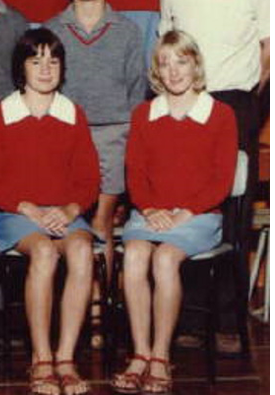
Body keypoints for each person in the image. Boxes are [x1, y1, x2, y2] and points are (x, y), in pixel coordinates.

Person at [157, 0, 268, 352]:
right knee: (184, 203)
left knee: (233, 210)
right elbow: (166, 49)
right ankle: (188, 317)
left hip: (235, 103)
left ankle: (226, 320)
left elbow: (270, 52)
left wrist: (247, 107)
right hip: (183, 102)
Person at [110, 30, 237, 394]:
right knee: (135, 255)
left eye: (182, 61)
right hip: (150, 213)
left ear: (196, 65)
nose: (174, 71)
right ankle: (140, 354)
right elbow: (135, 173)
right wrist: (150, 208)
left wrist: (185, 213)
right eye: (165, 64)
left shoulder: (220, 114)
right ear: (156, 71)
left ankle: (161, 357)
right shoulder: (144, 113)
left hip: (199, 216)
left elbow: (222, 180)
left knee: (165, 258)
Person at [44, 0, 146, 341]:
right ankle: (65, 312)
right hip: (65, 136)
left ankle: (98, 314)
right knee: (65, 224)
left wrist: (129, 139)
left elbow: (137, 92)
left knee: (101, 222)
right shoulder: (51, 30)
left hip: (112, 135)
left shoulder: (127, 31)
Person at [0, 28, 100, 395]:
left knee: (81, 249)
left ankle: (65, 358)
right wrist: (28, 209)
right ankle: (41, 359)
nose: (46, 69)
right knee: (43, 251)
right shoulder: (1, 114)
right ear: (21, 67)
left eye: (53, 61)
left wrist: (69, 210)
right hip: (17, 214)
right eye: (36, 61)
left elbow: (89, 179)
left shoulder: (72, 114)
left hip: (64, 213)